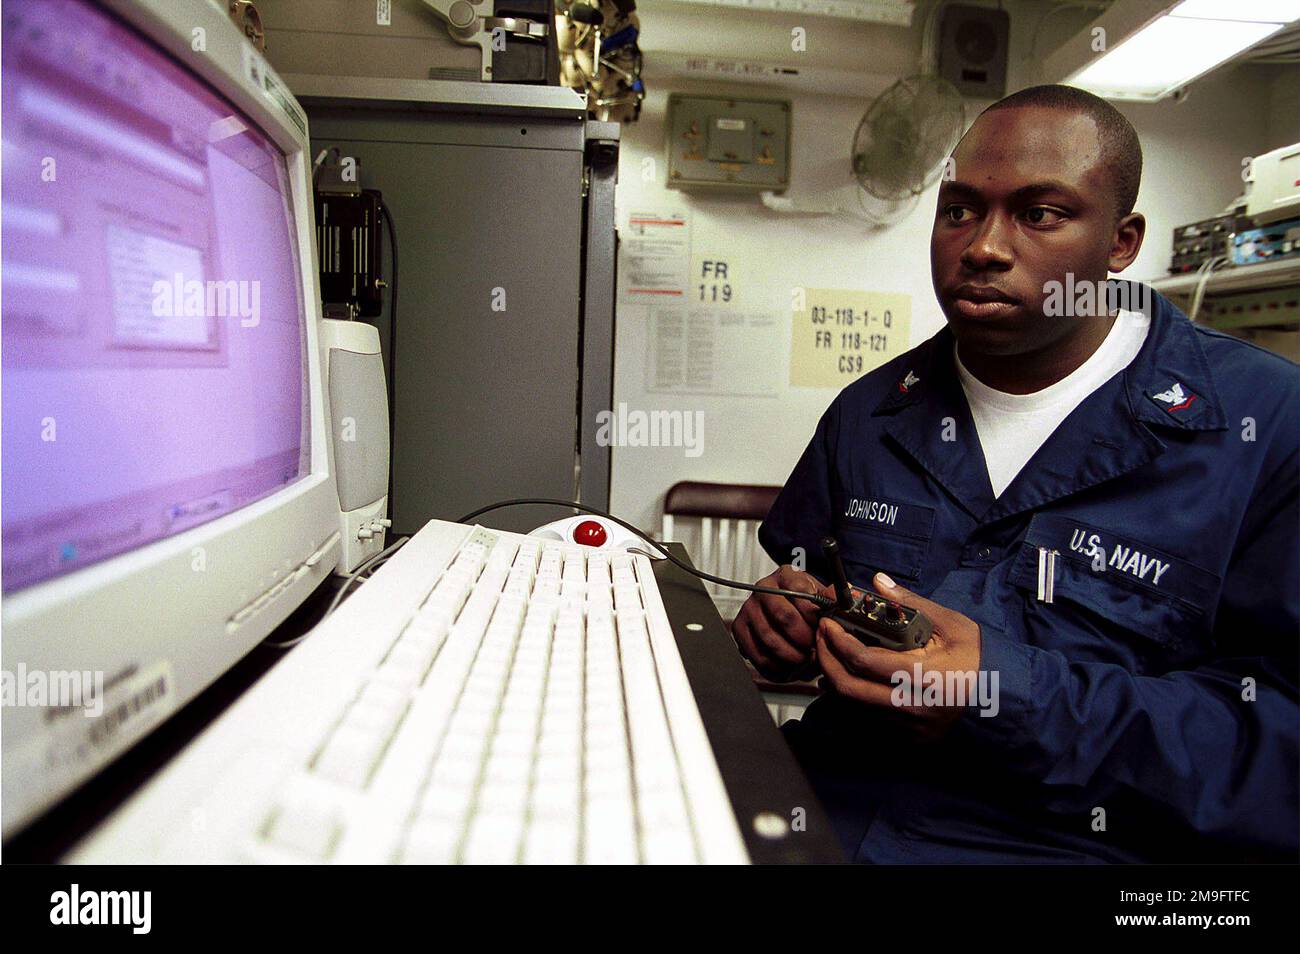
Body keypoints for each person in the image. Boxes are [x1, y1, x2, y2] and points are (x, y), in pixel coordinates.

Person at [733, 84, 1299, 863]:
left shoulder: (1265, 429)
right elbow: (806, 584)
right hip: (827, 820)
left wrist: (1006, 696)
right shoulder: (871, 413)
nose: (984, 248)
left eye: (1041, 214)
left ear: (1121, 241)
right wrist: (789, 621)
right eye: (960, 209)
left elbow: (1280, 751)